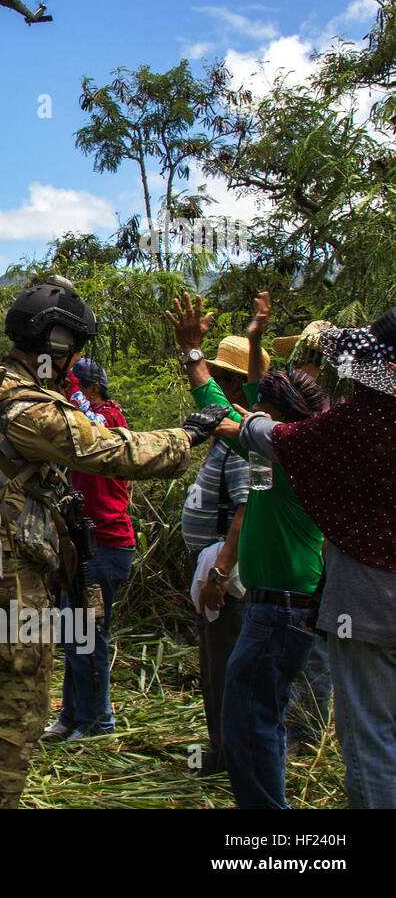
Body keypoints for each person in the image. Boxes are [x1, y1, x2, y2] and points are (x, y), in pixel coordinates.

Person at [0, 280, 223, 808]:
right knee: (16, 711)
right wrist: (187, 435)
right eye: (73, 348)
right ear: (56, 345)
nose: (75, 359)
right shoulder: (29, 408)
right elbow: (110, 450)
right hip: (7, 581)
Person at [218, 306, 396, 808]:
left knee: (369, 740)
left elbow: (272, 438)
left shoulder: (363, 423)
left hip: (369, 602)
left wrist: (242, 422)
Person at [168, 293, 325, 809]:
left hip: (277, 611)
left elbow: (214, 407)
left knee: (246, 727)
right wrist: (255, 338)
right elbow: (251, 396)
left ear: (276, 418)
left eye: (263, 410)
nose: (252, 412)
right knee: (263, 719)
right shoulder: (301, 440)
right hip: (286, 605)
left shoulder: (285, 455)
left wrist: (192, 352)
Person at [168, 323, 259, 776]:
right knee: (214, 665)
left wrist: (220, 576)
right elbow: (206, 392)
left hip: (228, 574)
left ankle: (232, 757)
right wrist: (191, 351)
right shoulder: (231, 426)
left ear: (242, 386)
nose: (215, 391)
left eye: (225, 380)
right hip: (216, 566)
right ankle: (223, 750)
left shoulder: (244, 442)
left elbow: (245, 511)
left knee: (226, 668)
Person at [44, 357, 136, 740]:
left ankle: (98, 720)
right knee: (74, 634)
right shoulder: (78, 420)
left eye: (72, 384)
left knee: (87, 635)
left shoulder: (109, 418)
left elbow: (95, 433)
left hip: (106, 545)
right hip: (83, 545)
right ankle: (72, 715)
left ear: (91, 388)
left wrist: (73, 390)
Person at [271, 317, 336, 752]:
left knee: (315, 650)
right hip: (312, 552)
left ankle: (307, 734)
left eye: (310, 360)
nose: (303, 368)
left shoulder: (330, 422)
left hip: (324, 554)